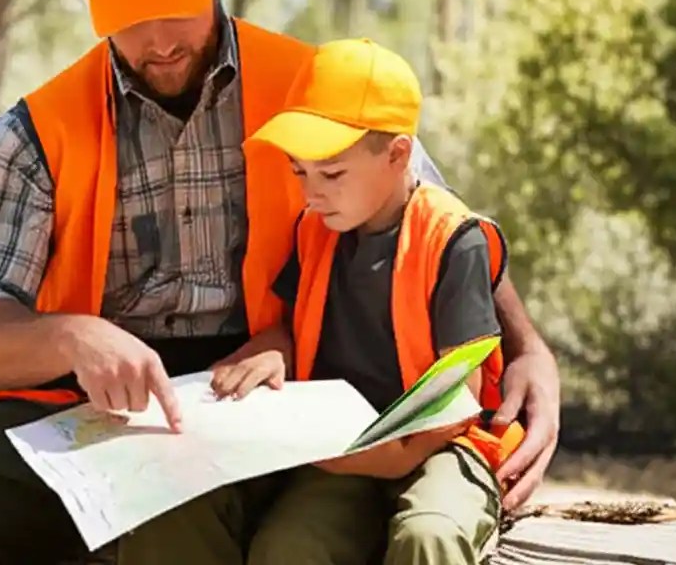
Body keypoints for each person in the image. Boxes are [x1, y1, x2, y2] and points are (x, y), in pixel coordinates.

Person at [0, 0, 559, 565]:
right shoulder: (33, 135)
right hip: (82, 411)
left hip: (276, 403)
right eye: (131, 18)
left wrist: (528, 348)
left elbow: (427, 228)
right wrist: (73, 339)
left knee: (170, 509)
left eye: (176, 5)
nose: (161, 40)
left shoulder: (318, 94)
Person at [213, 37, 522, 564]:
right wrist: (273, 351)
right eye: (300, 173)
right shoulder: (315, 230)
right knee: (285, 549)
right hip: (343, 452)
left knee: (430, 535)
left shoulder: (453, 237)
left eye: (331, 174)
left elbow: (457, 394)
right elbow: (292, 324)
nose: (312, 193)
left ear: (398, 153)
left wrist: (388, 460)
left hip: (441, 447)